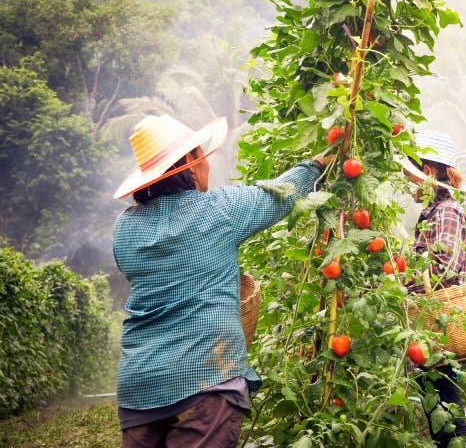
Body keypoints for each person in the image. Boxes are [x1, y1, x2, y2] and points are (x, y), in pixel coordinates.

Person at [112, 114, 329, 447]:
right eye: (201, 155)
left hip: (139, 384)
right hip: (204, 379)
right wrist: (316, 165)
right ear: (188, 163)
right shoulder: (219, 210)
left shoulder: (124, 230)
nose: (206, 165)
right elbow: (281, 194)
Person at [401, 129, 466, 448]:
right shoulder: (432, 212)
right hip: (434, 325)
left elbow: (445, 263)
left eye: (414, 175)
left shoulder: (446, 211)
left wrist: (402, 279)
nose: (410, 184)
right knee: (439, 405)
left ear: (428, 173)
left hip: (441, 325)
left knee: (444, 408)